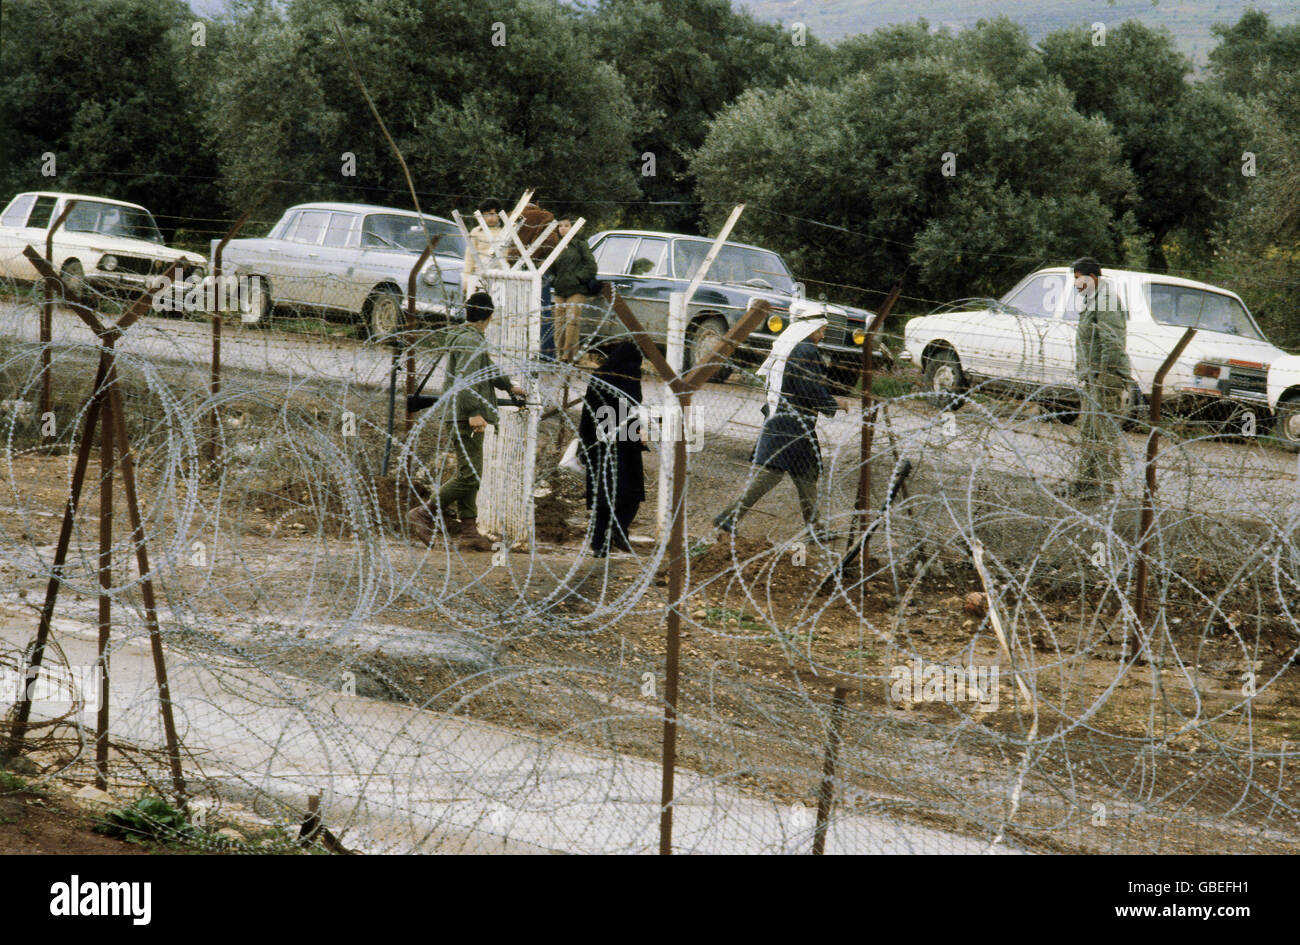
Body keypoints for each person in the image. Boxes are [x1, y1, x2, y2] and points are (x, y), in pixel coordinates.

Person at [407, 291, 526, 551]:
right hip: (465, 414)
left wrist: (509, 385)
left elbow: (485, 369)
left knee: (468, 472)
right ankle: (425, 512)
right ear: (490, 316)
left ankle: (469, 532)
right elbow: (468, 379)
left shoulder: (468, 338)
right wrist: (474, 411)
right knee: (470, 476)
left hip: (459, 412)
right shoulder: (472, 342)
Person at [712, 302, 840, 537]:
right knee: (770, 474)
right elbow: (809, 386)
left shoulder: (789, 346)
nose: (822, 336)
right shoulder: (805, 350)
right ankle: (727, 518)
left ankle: (816, 528)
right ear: (811, 328)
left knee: (806, 474)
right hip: (790, 423)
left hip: (789, 420)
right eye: (821, 331)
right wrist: (834, 404)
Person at [1057, 257, 1132, 500]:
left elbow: (1112, 342)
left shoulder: (1107, 302)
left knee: (1103, 432)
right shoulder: (1093, 300)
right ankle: (1085, 482)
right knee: (1089, 432)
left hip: (1105, 377)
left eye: (1080, 277)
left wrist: (1103, 375)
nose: (1077, 283)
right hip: (1094, 376)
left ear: (1094, 277)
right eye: (1075, 278)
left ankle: (1106, 487)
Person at [578, 341, 647, 556]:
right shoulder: (630, 375)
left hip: (598, 442)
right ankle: (616, 531)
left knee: (606, 495)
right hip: (623, 444)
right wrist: (638, 433)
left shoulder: (601, 376)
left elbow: (591, 413)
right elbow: (629, 409)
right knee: (630, 493)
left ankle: (601, 543)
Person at [549, 217, 597, 363]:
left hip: (576, 289)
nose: (563, 228)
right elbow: (551, 267)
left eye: (566, 225)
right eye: (560, 226)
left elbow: (591, 266)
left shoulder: (580, 244)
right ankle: (559, 354)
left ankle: (568, 355)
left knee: (571, 322)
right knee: (559, 323)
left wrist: (578, 278)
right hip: (560, 289)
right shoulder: (557, 246)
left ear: (572, 227)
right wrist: (554, 279)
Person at [462, 198, 506, 296]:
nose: (490, 218)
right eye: (486, 215)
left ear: (499, 215)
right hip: (478, 276)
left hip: (499, 277)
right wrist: (466, 278)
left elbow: (508, 256)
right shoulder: (476, 232)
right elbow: (469, 257)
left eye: (492, 214)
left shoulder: (505, 232)